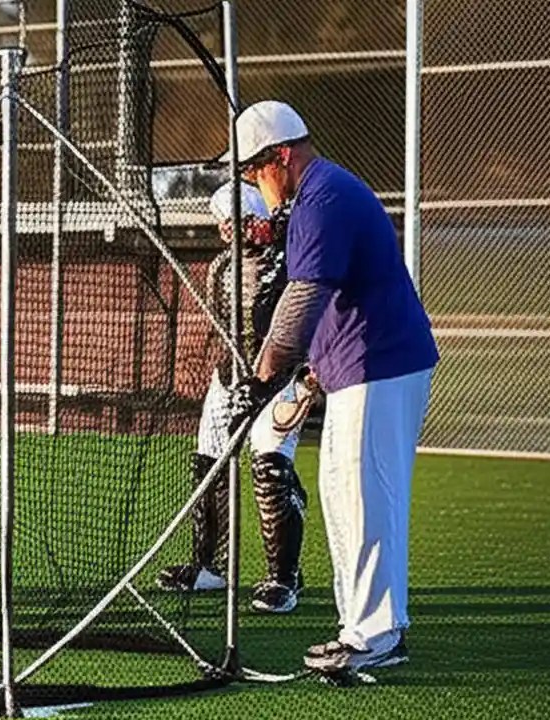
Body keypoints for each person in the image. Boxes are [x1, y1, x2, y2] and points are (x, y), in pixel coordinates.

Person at [224, 101, 439, 673]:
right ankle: (361, 627)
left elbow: (303, 301)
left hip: (381, 365)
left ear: (282, 157)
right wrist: (309, 373)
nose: (251, 181)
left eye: (253, 170)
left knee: (368, 498)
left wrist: (262, 378)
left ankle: (377, 635)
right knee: (341, 495)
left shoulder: (323, 199)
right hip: (355, 368)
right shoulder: (317, 196)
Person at [157, 182, 310, 614]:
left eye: (239, 221)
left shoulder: (291, 258)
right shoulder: (221, 266)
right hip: (228, 379)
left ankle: (284, 577)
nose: (229, 232)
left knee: (270, 469)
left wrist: (305, 378)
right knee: (207, 464)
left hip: (282, 380)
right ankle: (210, 565)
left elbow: (304, 319)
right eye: (223, 224)